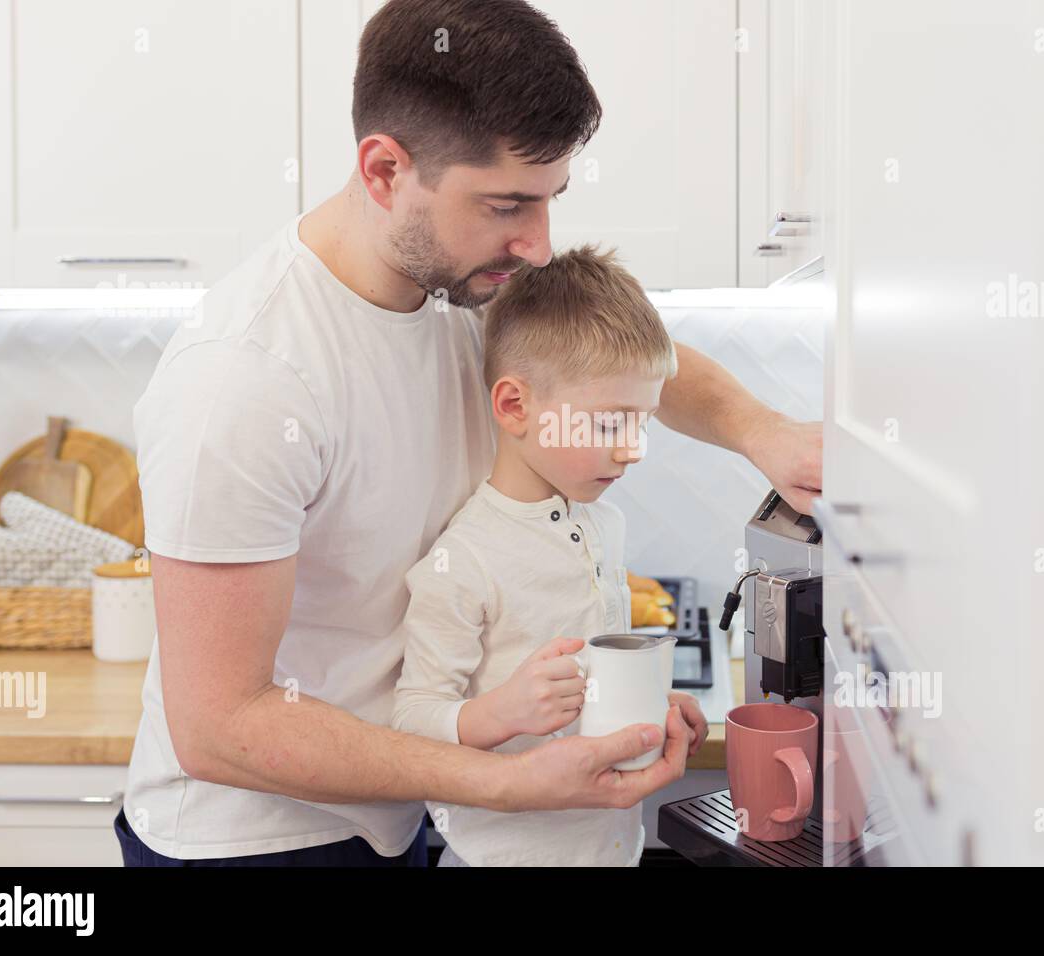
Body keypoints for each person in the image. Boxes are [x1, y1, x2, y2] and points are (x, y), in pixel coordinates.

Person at [115, 0, 822, 866]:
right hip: (257, 839)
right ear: (383, 170)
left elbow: (627, 357)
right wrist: (513, 783)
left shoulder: (466, 294)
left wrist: (765, 432)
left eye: (552, 199)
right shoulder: (246, 380)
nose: (537, 244)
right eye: (507, 205)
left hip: (406, 808)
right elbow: (220, 726)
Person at [392, 245, 700, 866]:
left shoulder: (602, 525)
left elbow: (589, 686)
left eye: (641, 424)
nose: (632, 450)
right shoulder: (466, 560)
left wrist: (644, 700)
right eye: (611, 424)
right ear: (514, 406)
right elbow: (411, 723)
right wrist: (499, 713)